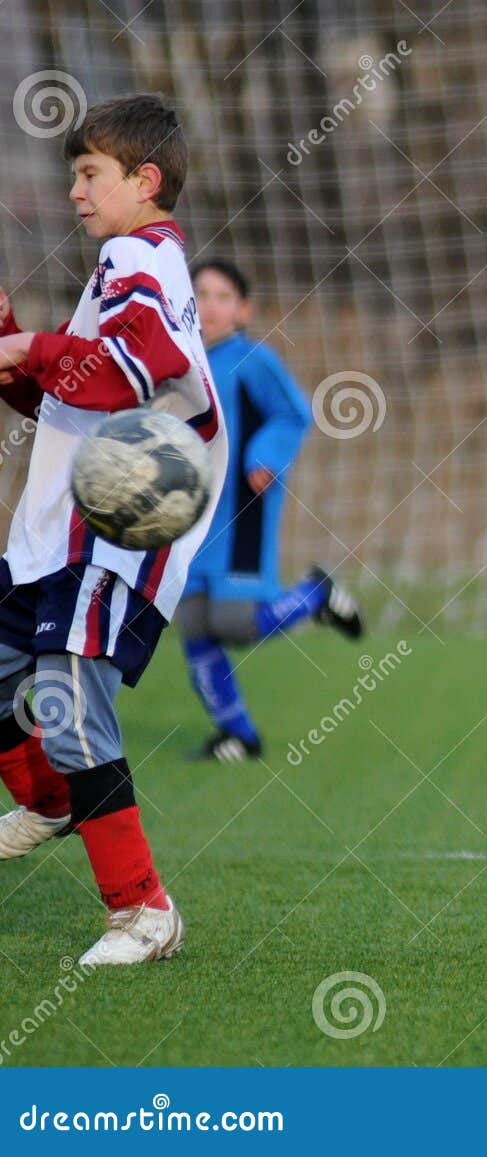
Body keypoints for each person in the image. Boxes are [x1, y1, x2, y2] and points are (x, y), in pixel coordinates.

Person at [0, 94, 230, 964]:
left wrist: (28, 351)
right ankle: (52, 799)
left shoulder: (143, 255)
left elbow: (142, 366)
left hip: (113, 531)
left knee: (67, 699)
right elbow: (76, 388)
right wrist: (19, 345)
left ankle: (143, 911)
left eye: (90, 173)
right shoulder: (120, 268)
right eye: (73, 174)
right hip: (54, 532)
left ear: (146, 180)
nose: (75, 191)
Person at [178, 259, 363, 763]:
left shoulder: (252, 360)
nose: (211, 305)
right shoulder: (177, 362)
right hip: (189, 517)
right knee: (192, 621)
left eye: (222, 296)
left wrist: (265, 454)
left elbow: (292, 413)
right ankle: (238, 734)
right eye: (201, 295)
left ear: (243, 310)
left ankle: (314, 595)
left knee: (234, 621)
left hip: (242, 508)